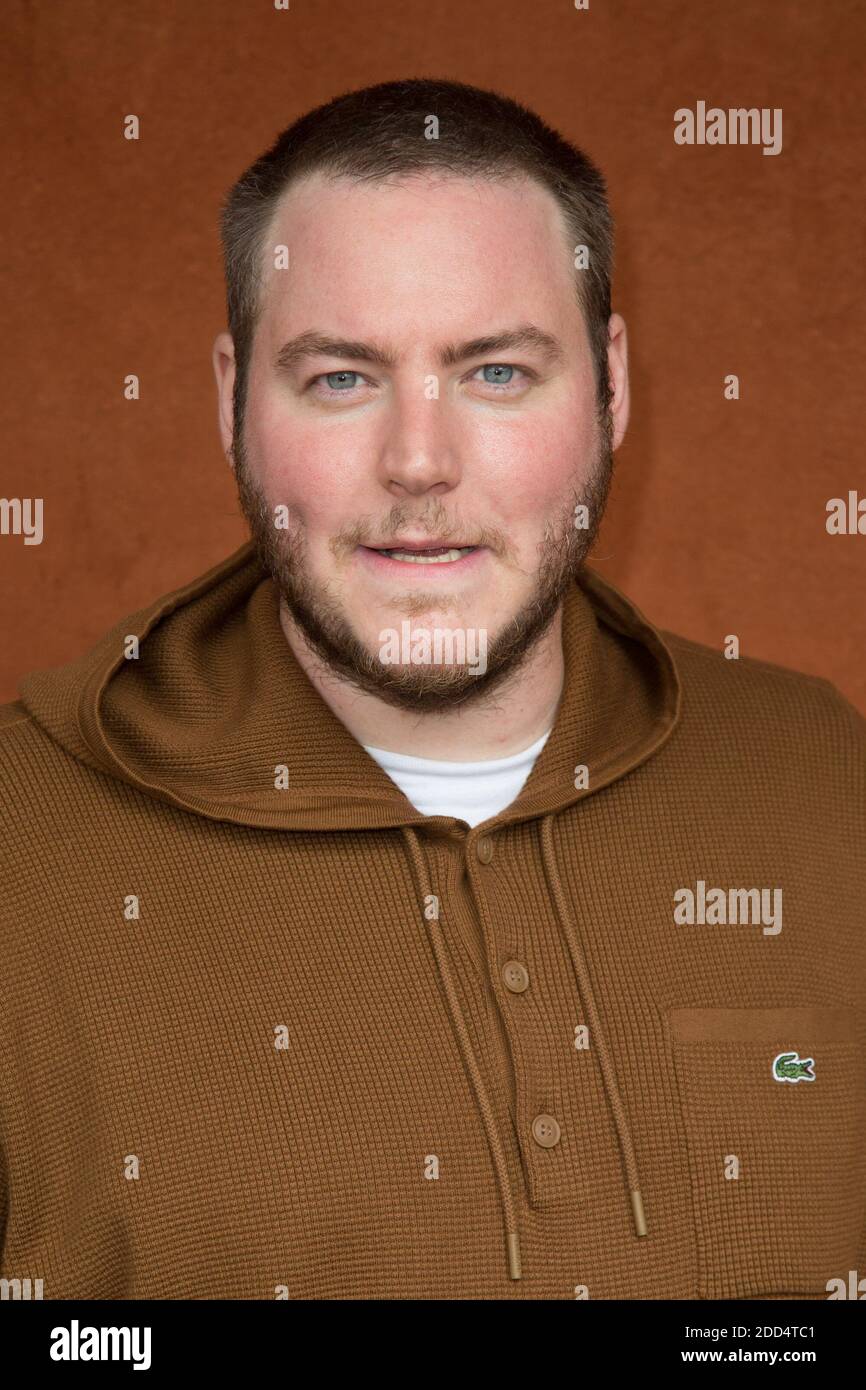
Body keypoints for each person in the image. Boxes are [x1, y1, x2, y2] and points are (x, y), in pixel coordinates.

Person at [1, 77, 863, 1301]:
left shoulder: (827, 777)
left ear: (609, 386)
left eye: (496, 372)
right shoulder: (17, 855)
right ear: (231, 397)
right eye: (341, 378)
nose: (418, 462)